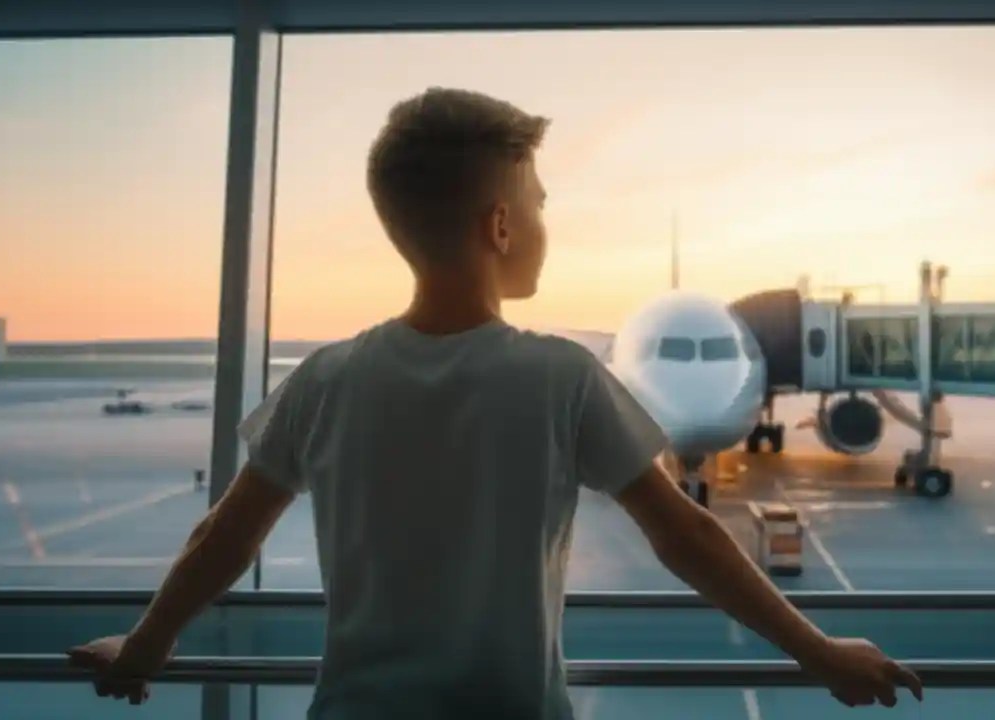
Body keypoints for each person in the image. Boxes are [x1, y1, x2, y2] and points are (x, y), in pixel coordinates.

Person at [66, 87, 922, 718]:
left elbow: (224, 535)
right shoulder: (560, 377)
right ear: (503, 227)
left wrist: (143, 648)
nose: (548, 225)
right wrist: (819, 653)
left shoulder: (323, 379)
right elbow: (687, 537)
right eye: (540, 206)